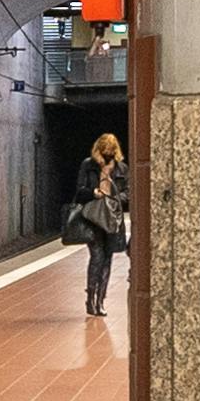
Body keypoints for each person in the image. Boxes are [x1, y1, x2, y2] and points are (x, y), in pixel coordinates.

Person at [69, 126, 129, 318]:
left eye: (110, 152)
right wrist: (93, 193)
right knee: (97, 257)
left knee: (107, 259)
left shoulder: (122, 169)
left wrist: (114, 197)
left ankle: (100, 300)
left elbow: (129, 193)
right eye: (104, 152)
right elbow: (79, 190)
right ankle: (91, 299)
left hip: (112, 220)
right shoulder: (88, 165)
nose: (107, 156)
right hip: (93, 218)